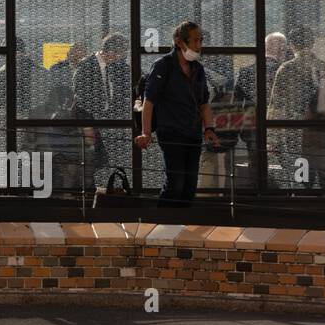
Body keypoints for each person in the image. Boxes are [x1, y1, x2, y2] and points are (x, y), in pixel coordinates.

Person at [136, 21, 220, 208]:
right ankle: (162, 225)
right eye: (195, 40)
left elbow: (204, 102)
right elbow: (149, 101)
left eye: (201, 40)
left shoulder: (198, 69)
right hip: (171, 131)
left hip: (193, 131)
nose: (199, 45)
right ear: (179, 41)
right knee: (175, 182)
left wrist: (209, 128)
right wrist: (146, 133)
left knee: (189, 185)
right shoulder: (163, 66)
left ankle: (181, 225)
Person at [269, 24, 325, 189]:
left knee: (301, 180)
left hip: (296, 132)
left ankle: (303, 208)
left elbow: (277, 106)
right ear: (313, 43)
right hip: (324, 132)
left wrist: (272, 137)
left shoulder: (286, 69)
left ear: (292, 45)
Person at [72, 32, 130, 187]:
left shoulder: (120, 68)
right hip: (92, 123)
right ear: (111, 52)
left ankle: (109, 188)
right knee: (95, 160)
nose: (122, 57)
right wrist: (89, 124)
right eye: (121, 54)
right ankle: (91, 189)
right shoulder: (86, 66)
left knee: (113, 160)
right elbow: (81, 97)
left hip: (113, 124)